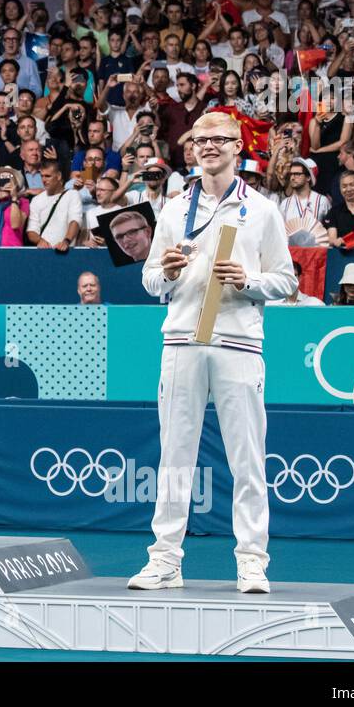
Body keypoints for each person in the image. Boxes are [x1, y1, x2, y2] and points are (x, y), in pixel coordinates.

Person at [129, 111, 296, 595]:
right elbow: (150, 280)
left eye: (219, 139)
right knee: (173, 457)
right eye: (201, 140)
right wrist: (169, 270)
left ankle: (251, 561)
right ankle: (164, 560)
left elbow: (286, 280)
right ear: (192, 148)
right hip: (181, 340)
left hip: (238, 342)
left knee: (248, 458)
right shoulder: (175, 207)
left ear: (238, 146)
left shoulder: (261, 210)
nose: (209, 146)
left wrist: (249, 283)